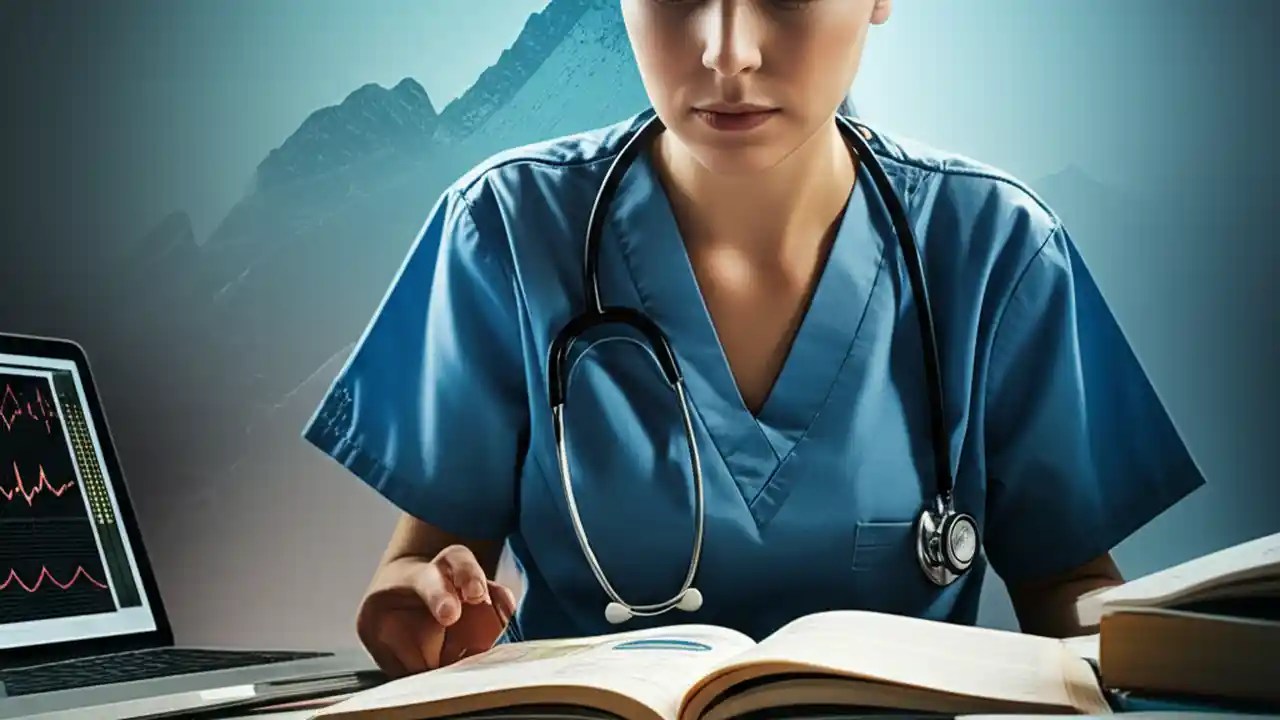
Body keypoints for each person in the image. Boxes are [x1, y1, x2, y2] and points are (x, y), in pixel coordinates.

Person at [303, 0, 1206, 678]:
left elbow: (1067, 589)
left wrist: (1175, 645)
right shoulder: (502, 229)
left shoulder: (995, 247)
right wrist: (411, 611)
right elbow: (424, 567)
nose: (726, 50)